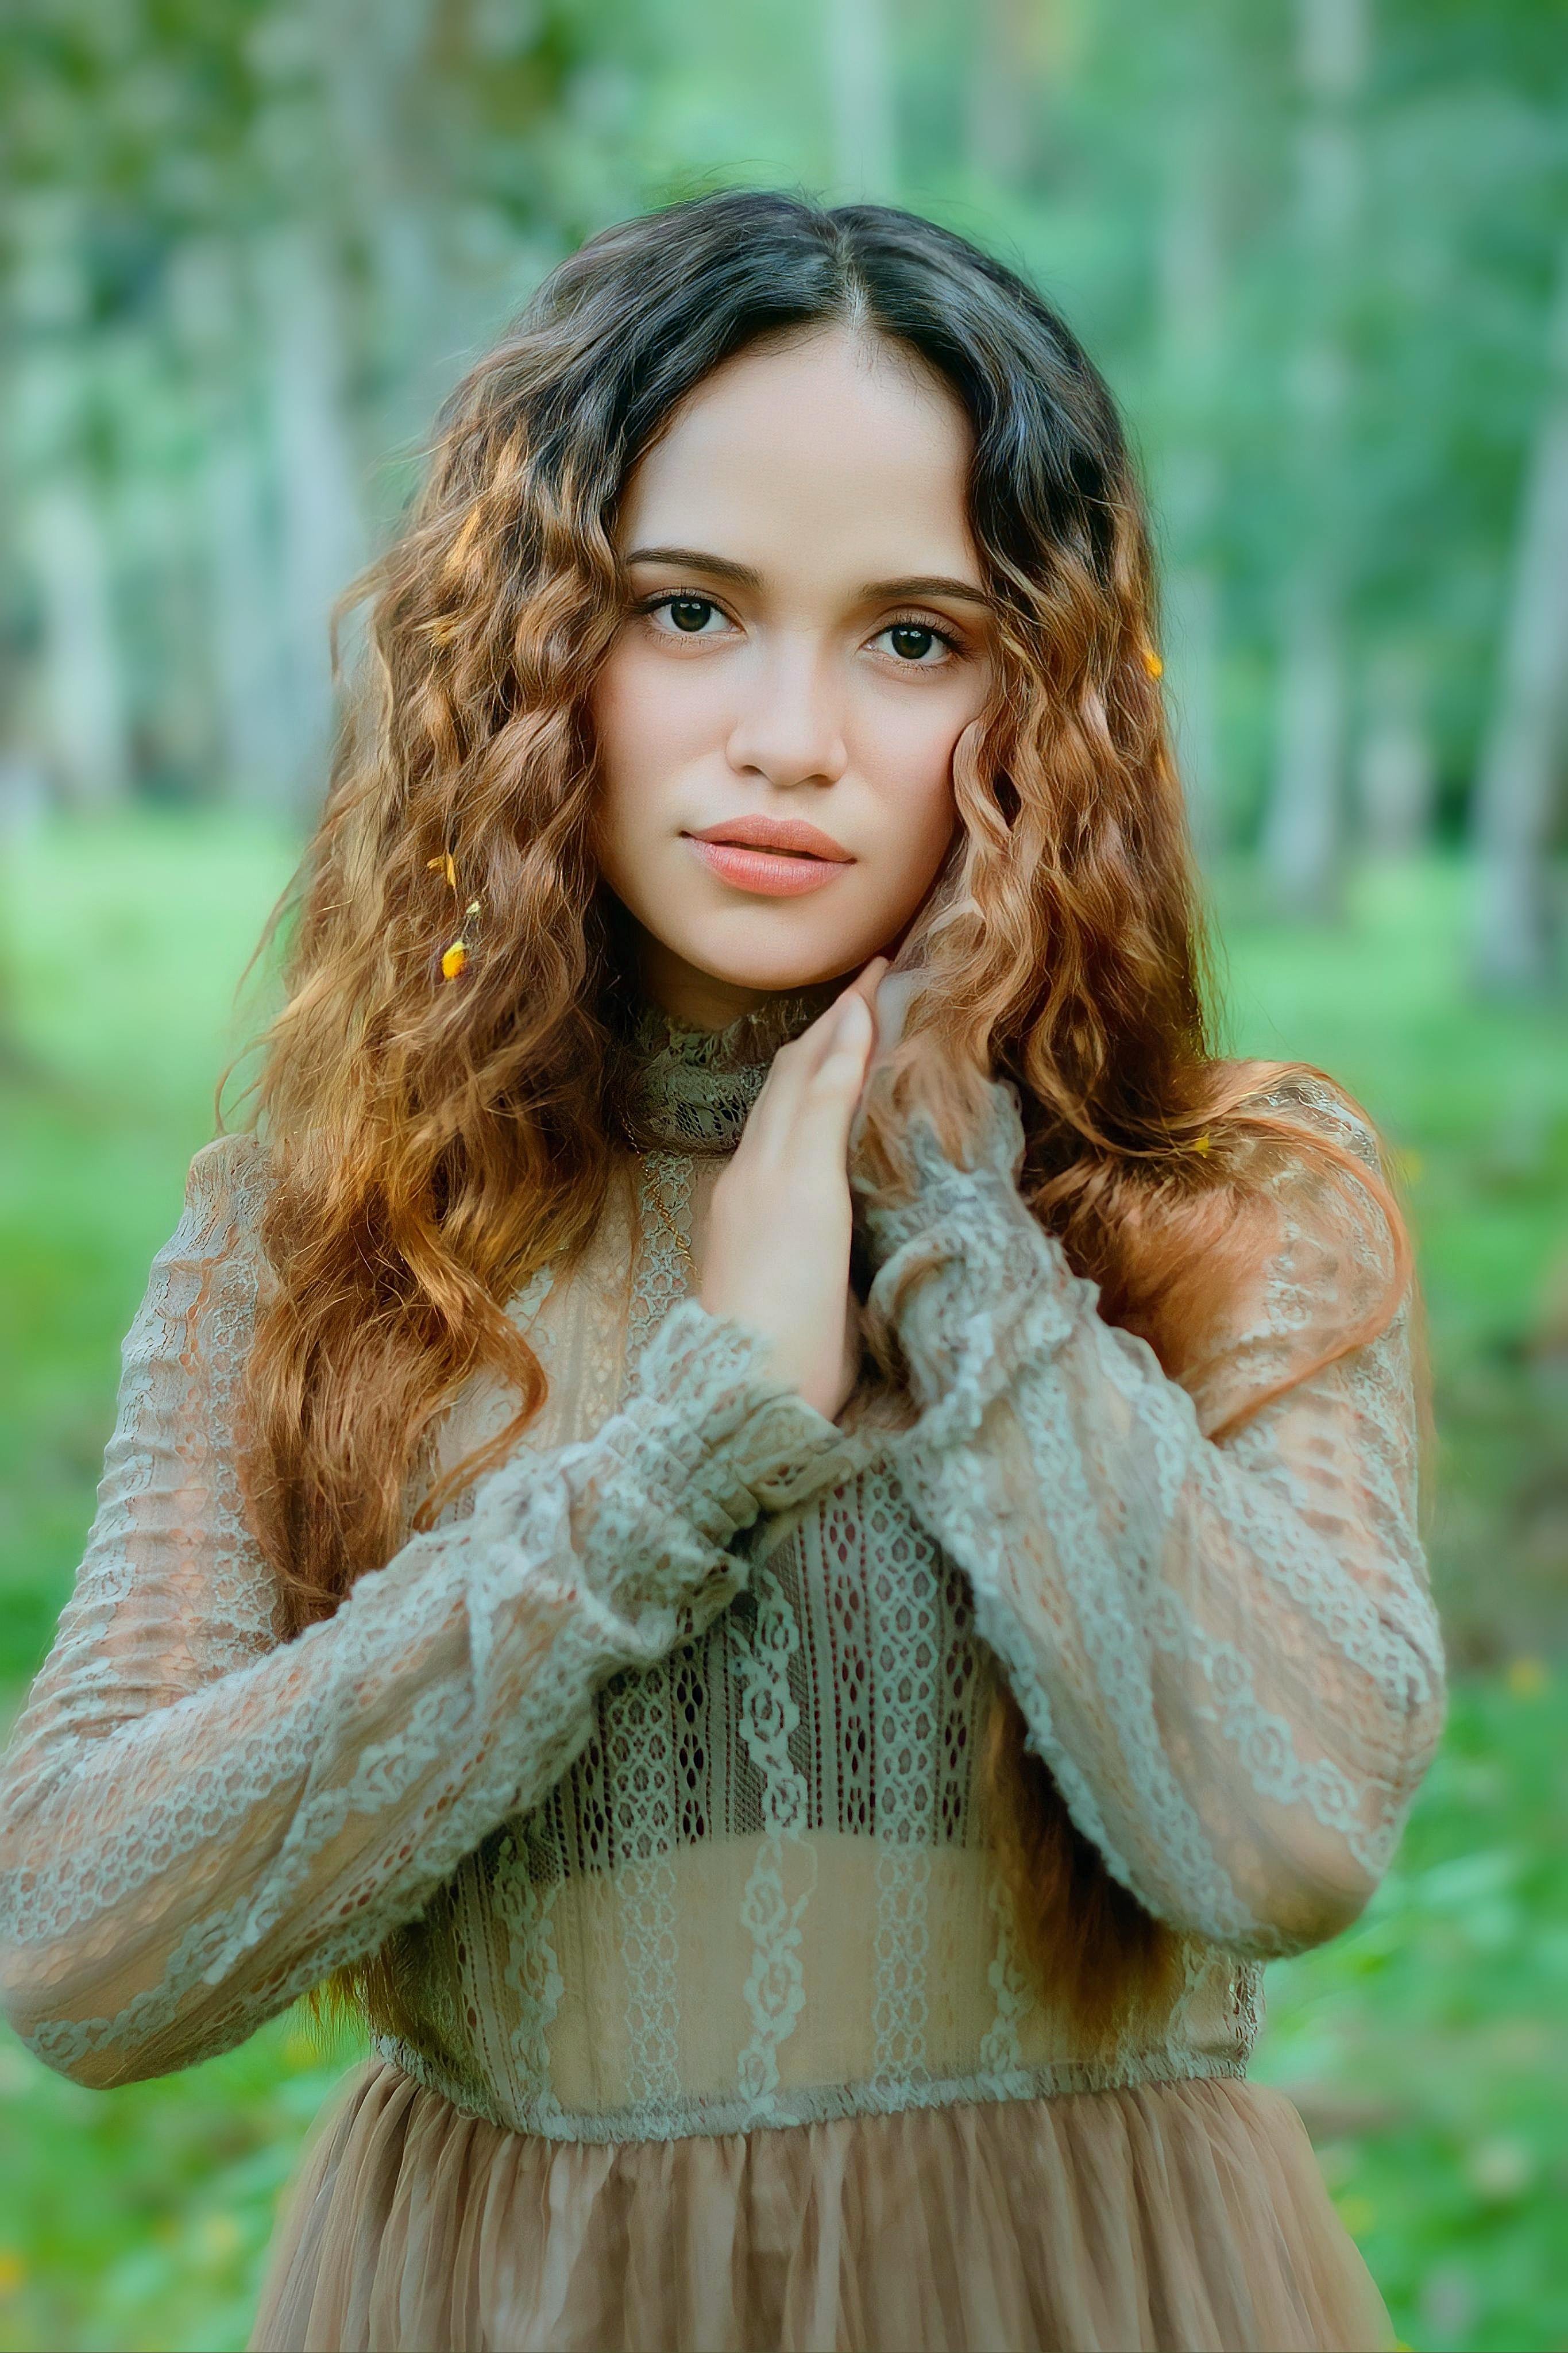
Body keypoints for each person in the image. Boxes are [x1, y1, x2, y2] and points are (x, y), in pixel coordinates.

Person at [0, 190, 1445, 2353]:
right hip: (515, 2304)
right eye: (687, 612)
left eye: (914, 639)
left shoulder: (1227, 1204)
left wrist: (954, 1226)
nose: (790, 735)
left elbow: (1288, 1841)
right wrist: (688, 1447)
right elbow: (79, 1955)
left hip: (1093, 2299)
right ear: (534, 645)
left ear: (1043, 697)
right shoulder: (330, 1236)